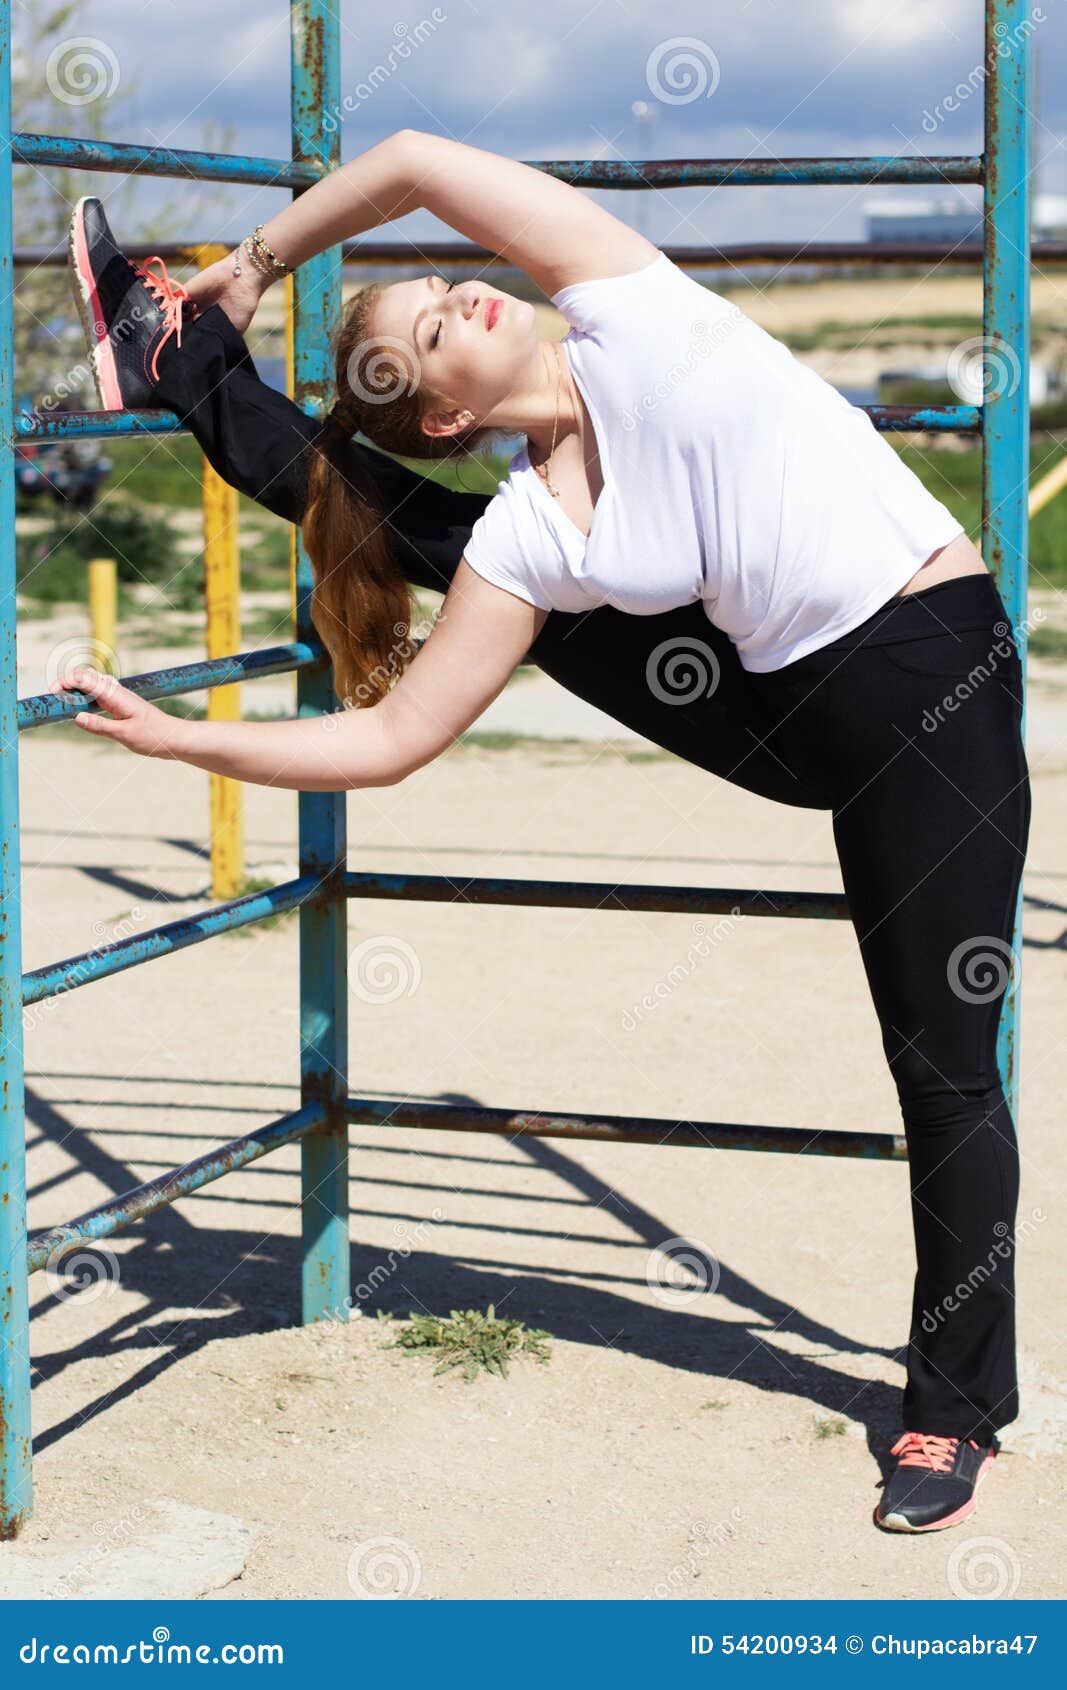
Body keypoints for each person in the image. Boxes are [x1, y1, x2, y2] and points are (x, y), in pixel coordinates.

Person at [61, 130, 1030, 1534]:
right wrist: (175, 734)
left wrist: (254, 263)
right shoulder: (532, 529)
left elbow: (408, 157)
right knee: (439, 541)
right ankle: (180, 373)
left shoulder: (627, 302)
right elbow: (392, 739)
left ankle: (951, 1409)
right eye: (431, 333)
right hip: (772, 704)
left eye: (450, 290)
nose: (465, 303)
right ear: (444, 412)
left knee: (940, 1062)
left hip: (933, 687)